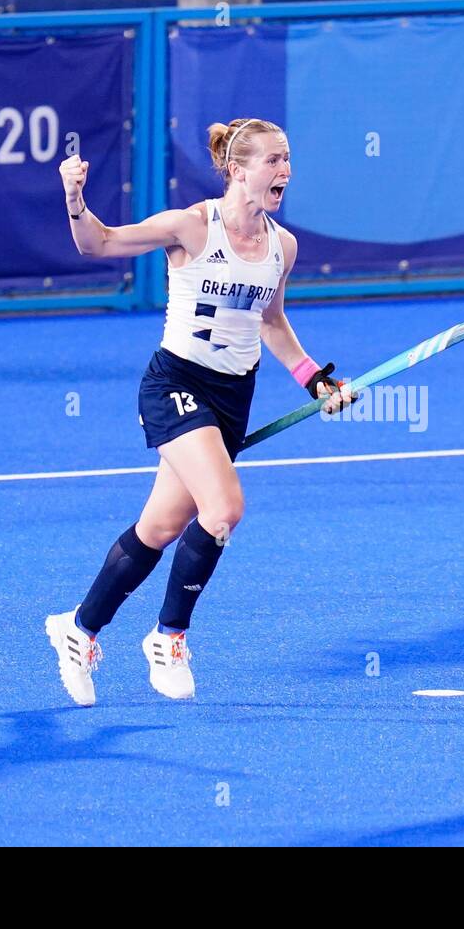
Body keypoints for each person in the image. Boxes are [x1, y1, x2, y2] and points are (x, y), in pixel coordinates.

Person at [45, 117, 353, 706]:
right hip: (175, 385)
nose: (285, 170)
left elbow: (271, 323)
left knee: (159, 528)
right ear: (238, 170)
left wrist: (315, 380)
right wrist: (74, 198)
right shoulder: (192, 225)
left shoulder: (282, 247)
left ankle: (78, 629)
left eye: (288, 159)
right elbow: (99, 243)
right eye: (273, 160)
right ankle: (168, 638)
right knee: (224, 507)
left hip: (233, 398)